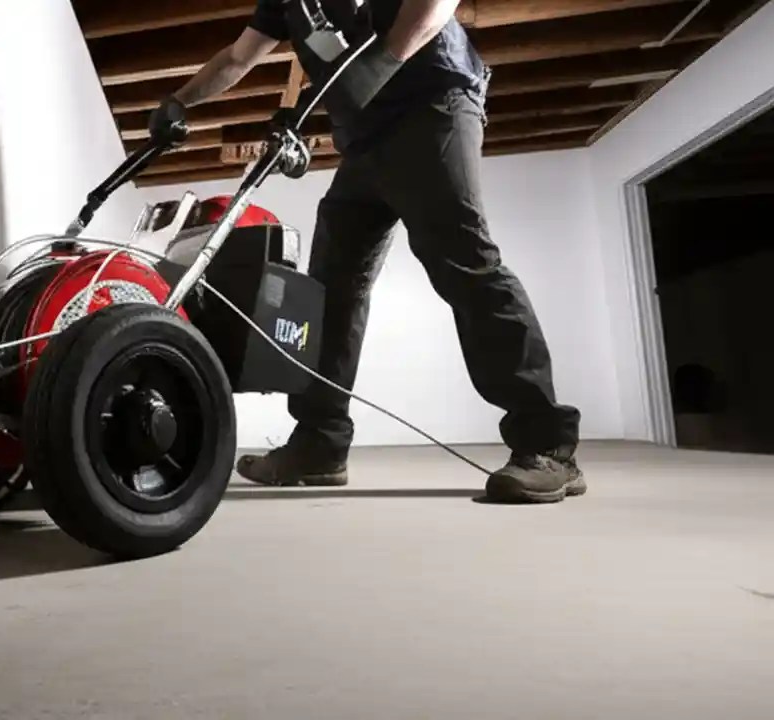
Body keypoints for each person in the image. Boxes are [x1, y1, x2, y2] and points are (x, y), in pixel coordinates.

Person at [147, 0, 585, 503]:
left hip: (433, 104)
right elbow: (237, 58)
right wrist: (179, 100)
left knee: (464, 263)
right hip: (364, 139)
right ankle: (320, 443)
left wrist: (381, 61)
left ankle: (549, 445)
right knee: (330, 289)